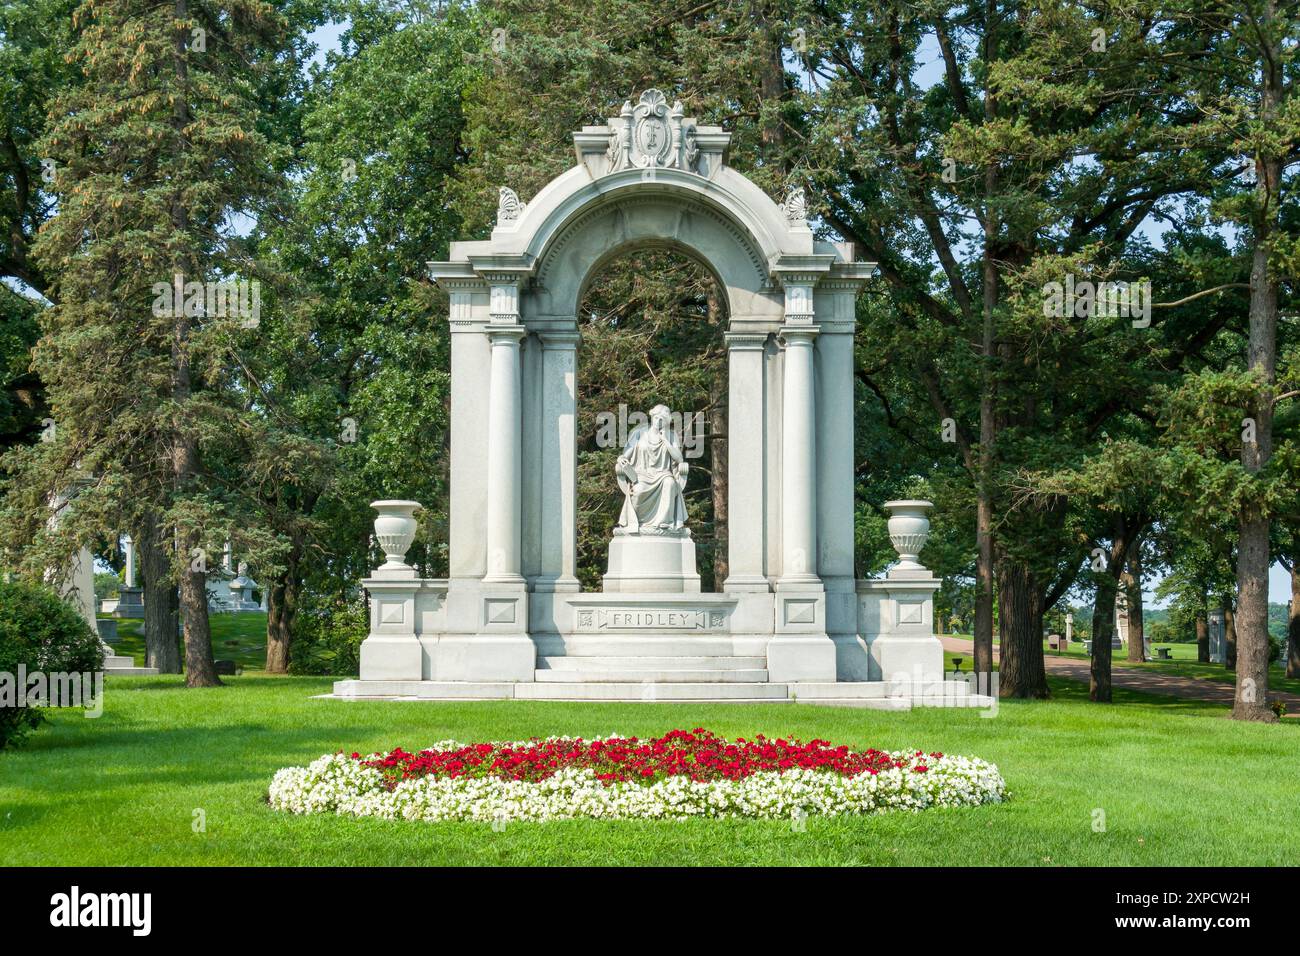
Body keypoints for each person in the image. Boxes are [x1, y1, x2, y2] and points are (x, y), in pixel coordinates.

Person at [615, 404, 689, 534]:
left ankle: (663, 523)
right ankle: (639, 524)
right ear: (652, 417)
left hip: (663, 474)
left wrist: (665, 440)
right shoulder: (640, 433)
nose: (658, 421)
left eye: (662, 419)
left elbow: (679, 459)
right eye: (656, 418)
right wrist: (621, 459)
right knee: (638, 491)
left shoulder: (671, 436)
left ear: (666, 422)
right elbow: (626, 453)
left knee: (670, 483)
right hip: (642, 475)